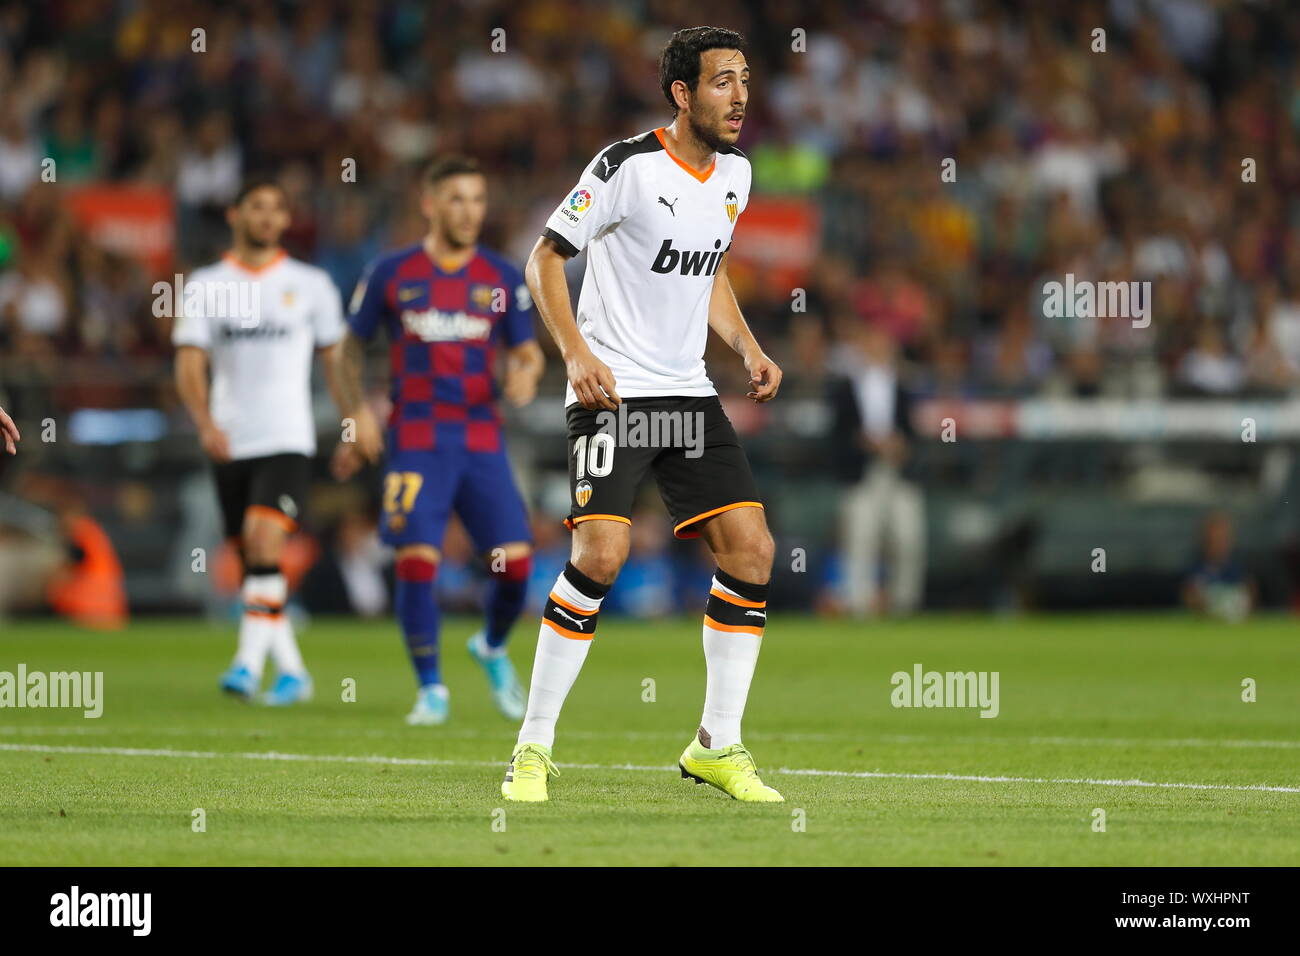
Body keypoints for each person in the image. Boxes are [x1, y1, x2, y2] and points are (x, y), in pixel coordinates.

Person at [501, 27, 783, 803]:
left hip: (686, 392)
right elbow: (544, 259)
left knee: (752, 551)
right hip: (613, 391)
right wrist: (575, 355)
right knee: (600, 554)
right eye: (723, 82)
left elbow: (709, 271)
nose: (741, 97)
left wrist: (747, 347)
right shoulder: (626, 167)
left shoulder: (737, 175)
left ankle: (717, 746)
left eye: (746, 80)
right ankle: (532, 747)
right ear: (682, 94)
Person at [335, 156, 545, 725]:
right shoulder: (392, 273)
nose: (469, 211)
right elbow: (345, 352)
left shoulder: (502, 279)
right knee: (417, 563)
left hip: (480, 437)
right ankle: (431, 688)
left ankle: (492, 646)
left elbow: (527, 349)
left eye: (478, 199)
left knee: (516, 567)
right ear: (429, 204)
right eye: (457, 199)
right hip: (416, 439)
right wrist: (357, 416)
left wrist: (525, 370)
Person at [173, 178, 349, 705]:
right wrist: (204, 422)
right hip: (230, 438)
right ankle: (294, 671)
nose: (268, 217)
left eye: (277, 208)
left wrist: (354, 418)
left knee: (263, 540)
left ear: (286, 219)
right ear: (235, 214)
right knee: (254, 563)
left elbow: (336, 359)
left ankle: (246, 666)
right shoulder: (206, 285)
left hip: (287, 436)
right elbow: (188, 361)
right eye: (257, 207)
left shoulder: (310, 283)